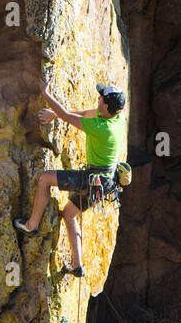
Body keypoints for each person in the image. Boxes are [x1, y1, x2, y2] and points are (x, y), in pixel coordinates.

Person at [14, 77, 127, 278]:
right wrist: (55, 114)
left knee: (44, 179)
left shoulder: (101, 129)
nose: (98, 99)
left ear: (106, 105)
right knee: (69, 214)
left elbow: (67, 116)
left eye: (100, 98)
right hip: (105, 183)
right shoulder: (115, 119)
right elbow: (82, 114)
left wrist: (46, 93)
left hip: (92, 178)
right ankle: (77, 264)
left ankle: (31, 225)